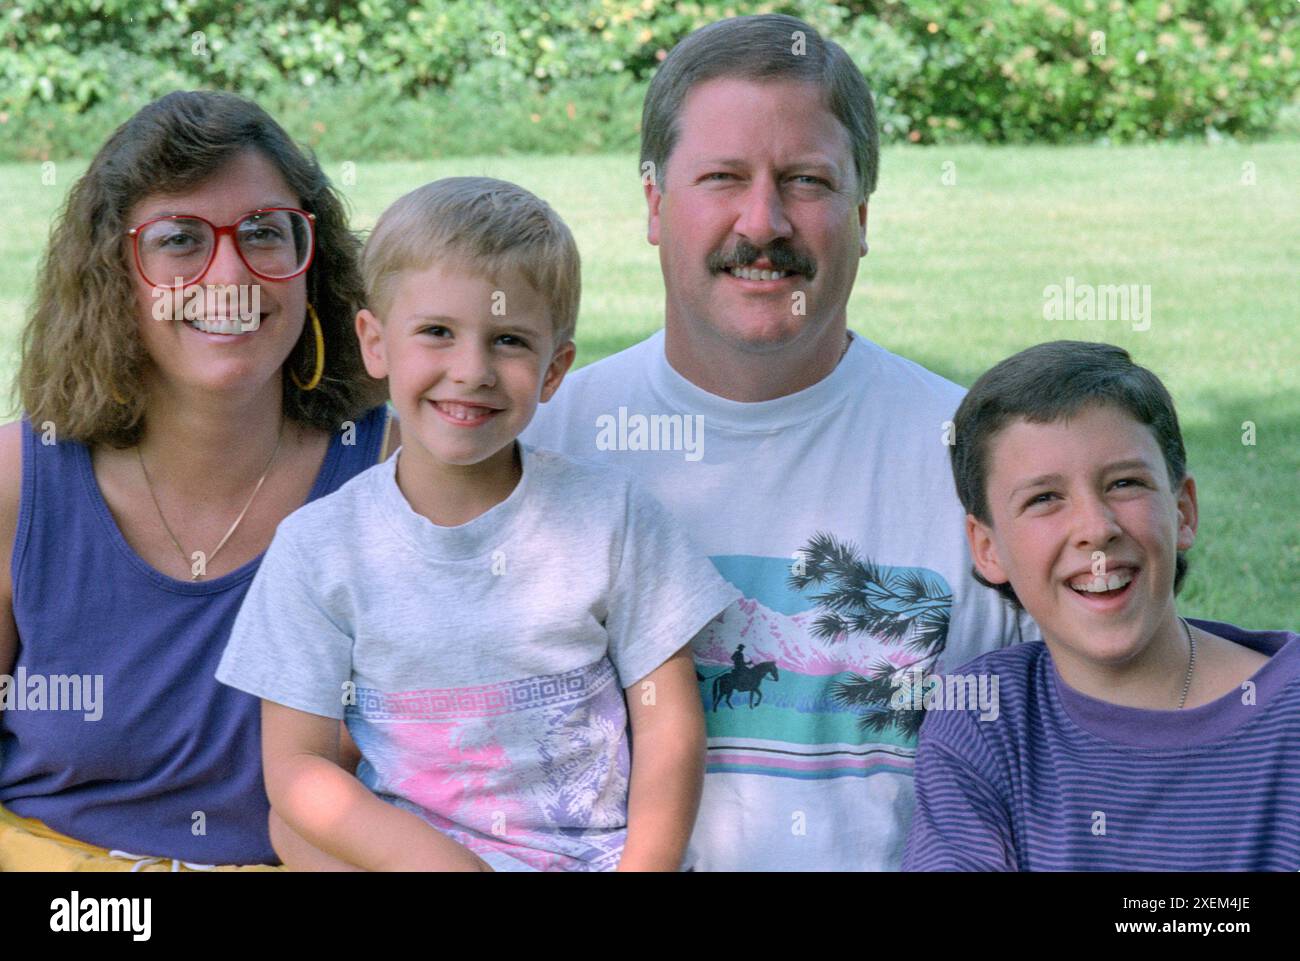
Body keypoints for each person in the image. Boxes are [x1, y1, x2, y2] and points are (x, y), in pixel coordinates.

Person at [522, 14, 1032, 870]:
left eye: (804, 180)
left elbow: (1104, 726)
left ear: (861, 215)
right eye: (722, 177)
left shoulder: (981, 455)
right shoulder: (539, 447)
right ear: (654, 204)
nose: (762, 222)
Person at [216, 177, 736, 871]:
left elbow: (668, 723)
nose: (472, 370)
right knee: (294, 826)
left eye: (509, 341)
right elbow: (297, 764)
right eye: (436, 332)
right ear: (375, 343)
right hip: (418, 858)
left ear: (555, 370)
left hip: (587, 858)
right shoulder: (319, 547)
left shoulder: (612, 518)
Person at [0, 90, 396, 871]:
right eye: (180, 238)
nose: (230, 272)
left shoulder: (396, 472)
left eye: (263, 233)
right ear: (115, 274)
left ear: (311, 266)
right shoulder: (17, 483)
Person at [903, 341, 1299, 871]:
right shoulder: (980, 722)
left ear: (1182, 511)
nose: (1095, 529)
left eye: (1124, 484)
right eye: (1043, 498)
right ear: (987, 548)